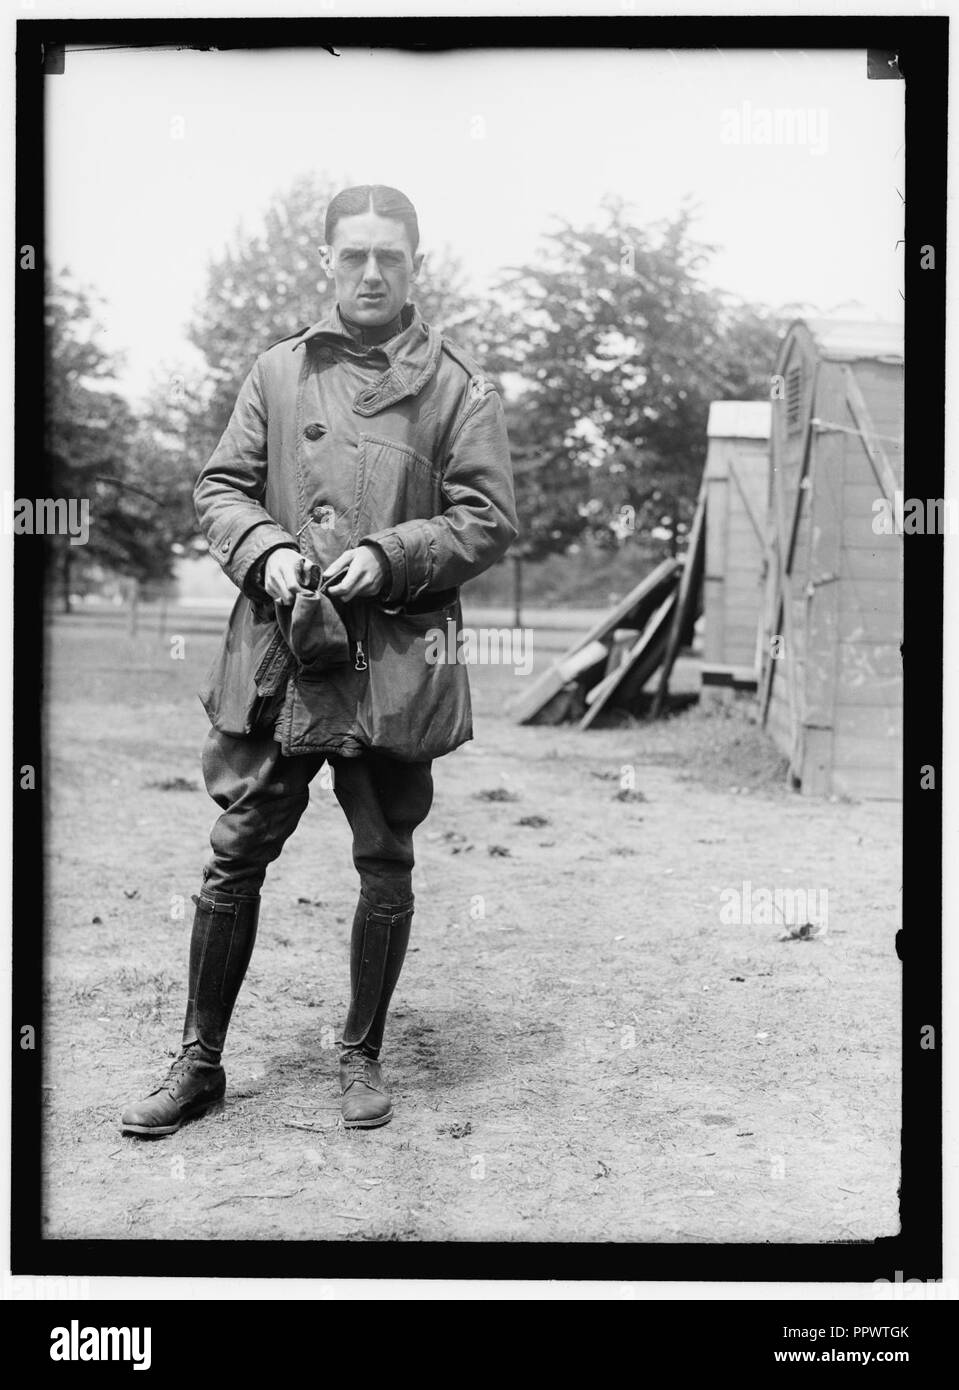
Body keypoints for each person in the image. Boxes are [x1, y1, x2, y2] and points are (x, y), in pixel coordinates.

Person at [120, 184, 517, 1135]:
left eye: (390, 256)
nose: (371, 272)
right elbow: (219, 488)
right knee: (234, 854)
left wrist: (387, 556)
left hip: (392, 659)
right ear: (327, 263)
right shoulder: (275, 374)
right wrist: (268, 549)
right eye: (353, 255)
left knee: (385, 862)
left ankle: (361, 1057)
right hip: (281, 654)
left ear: (416, 265)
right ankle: (199, 1062)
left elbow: (489, 518)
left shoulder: (459, 387)